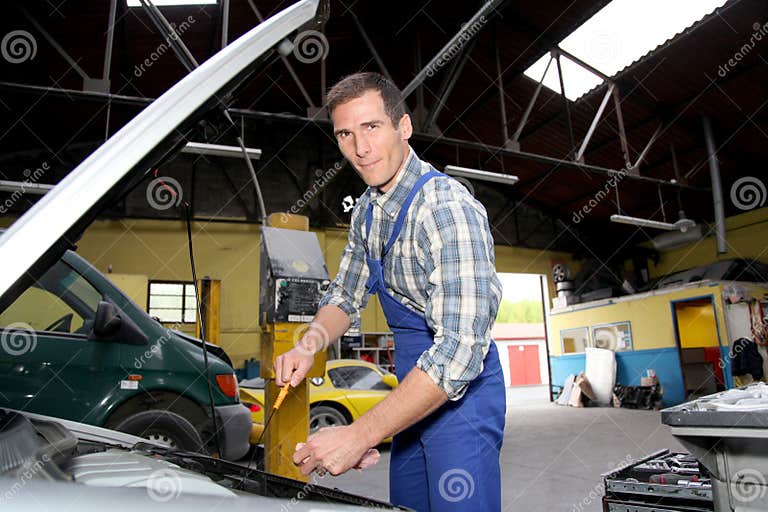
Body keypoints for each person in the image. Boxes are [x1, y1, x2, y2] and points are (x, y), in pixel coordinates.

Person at [275, 72, 506, 512]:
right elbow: (345, 294)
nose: (359, 148)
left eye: (372, 127)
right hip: (412, 395)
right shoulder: (366, 212)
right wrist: (308, 346)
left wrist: (359, 433)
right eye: (345, 133)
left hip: (463, 399)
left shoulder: (445, 208)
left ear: (403, 127)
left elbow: (458, 351)